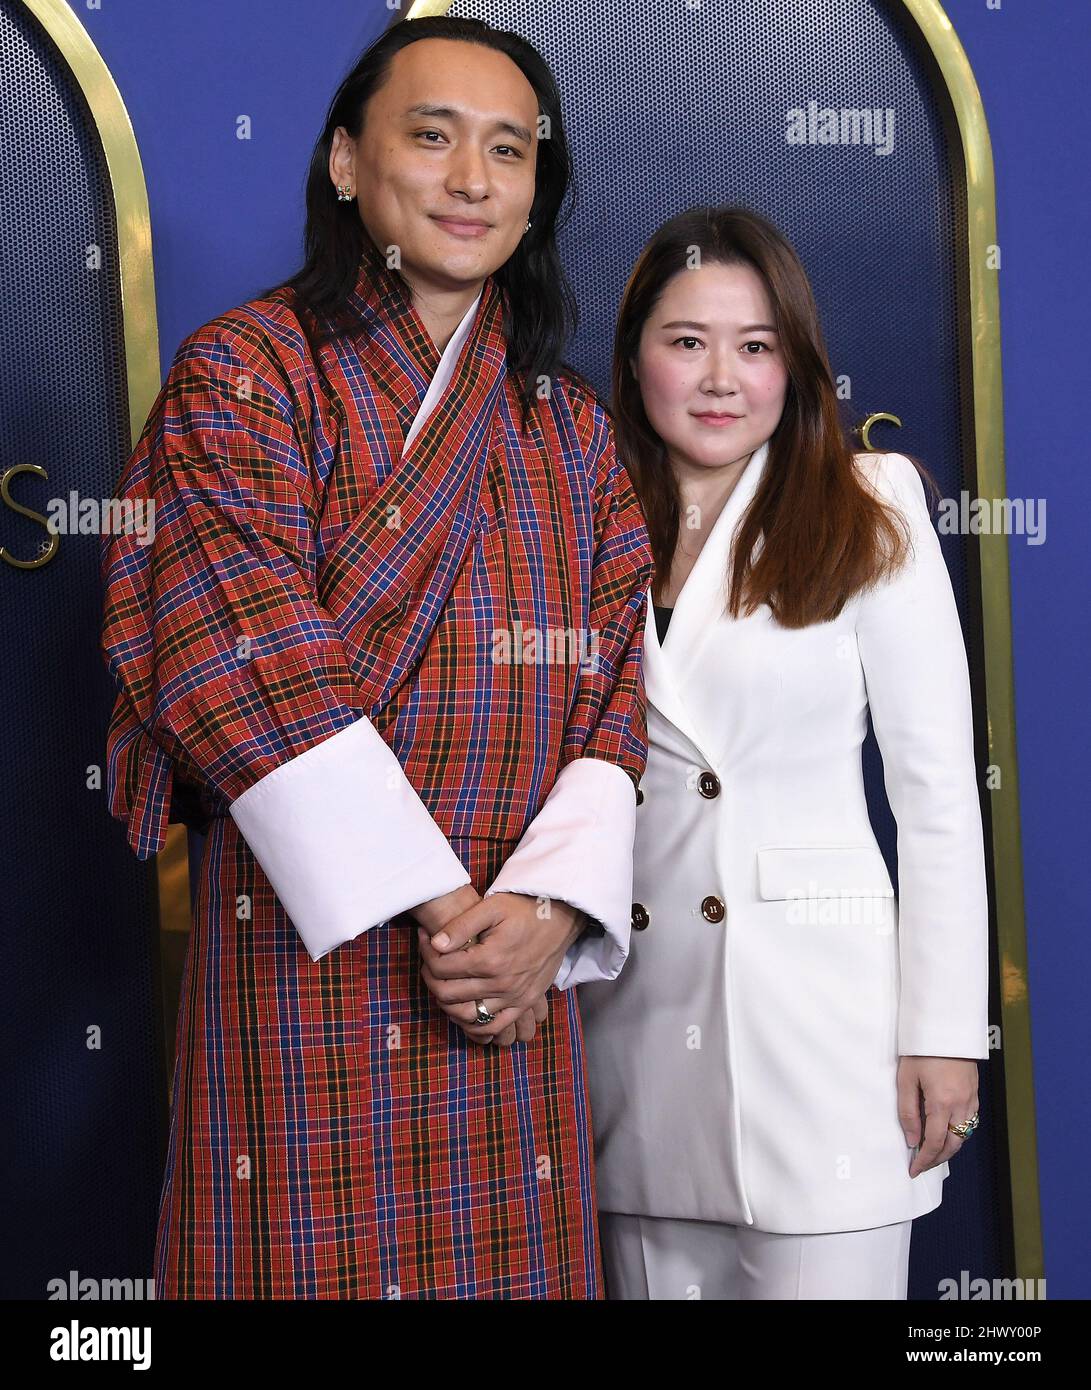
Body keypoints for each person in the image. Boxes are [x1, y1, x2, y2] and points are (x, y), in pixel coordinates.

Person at [99, 15, 653, 1300]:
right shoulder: (242, 374)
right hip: (311, 957)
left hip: (510, 986)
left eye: (507, 151)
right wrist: (447, 916)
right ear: (347, 162)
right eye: (432, 136)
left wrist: (551, 914)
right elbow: (237, 653)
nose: (472, 179)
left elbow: (621, 687)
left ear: (536, 190)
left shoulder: (566, 425)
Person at [578, 206, 989, 1300]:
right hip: (636, 1042)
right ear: (632, 358)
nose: (721, 378)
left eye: (754, 346)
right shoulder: (580, 519)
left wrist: (945, 1034)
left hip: (821, 1044)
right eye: (685, 342)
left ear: (794, 365)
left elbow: (937, 795)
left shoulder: (868, 505)